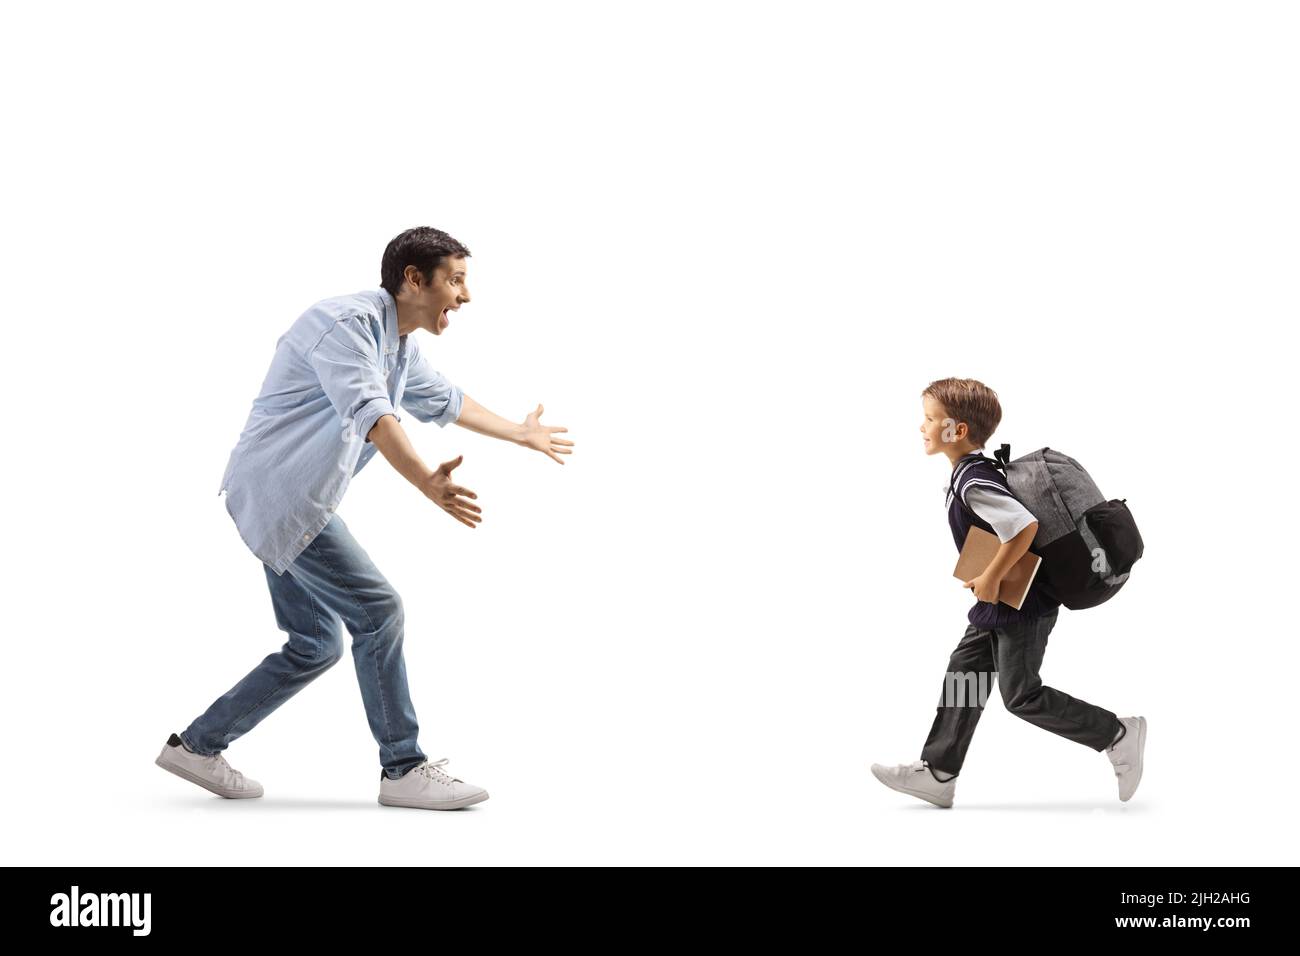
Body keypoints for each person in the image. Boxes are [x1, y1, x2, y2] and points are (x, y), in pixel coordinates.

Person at [155, 226, 574, 810]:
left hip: (285, 497)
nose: (465, 295)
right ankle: (403, 768)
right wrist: (427, 481)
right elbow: (373, 414)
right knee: (379, 611)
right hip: (285, 498)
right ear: (413, 279)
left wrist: (519, 431)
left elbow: (448, 400)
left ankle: (196, 746)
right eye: (455, 280)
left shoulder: (398, 345)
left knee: (314, 643)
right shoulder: (346, 326)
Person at [870, 377, 1144, 808]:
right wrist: (989, 582)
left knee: (1021, 695)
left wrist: (993, 577)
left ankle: (1117, 733)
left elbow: (1022, 526)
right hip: (998, 605)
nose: (921, 427)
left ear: (957, 431)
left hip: (1023, 608)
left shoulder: (974, 480)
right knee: (965, 673)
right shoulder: (972, 474)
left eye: (929, 418)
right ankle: (940, 773)